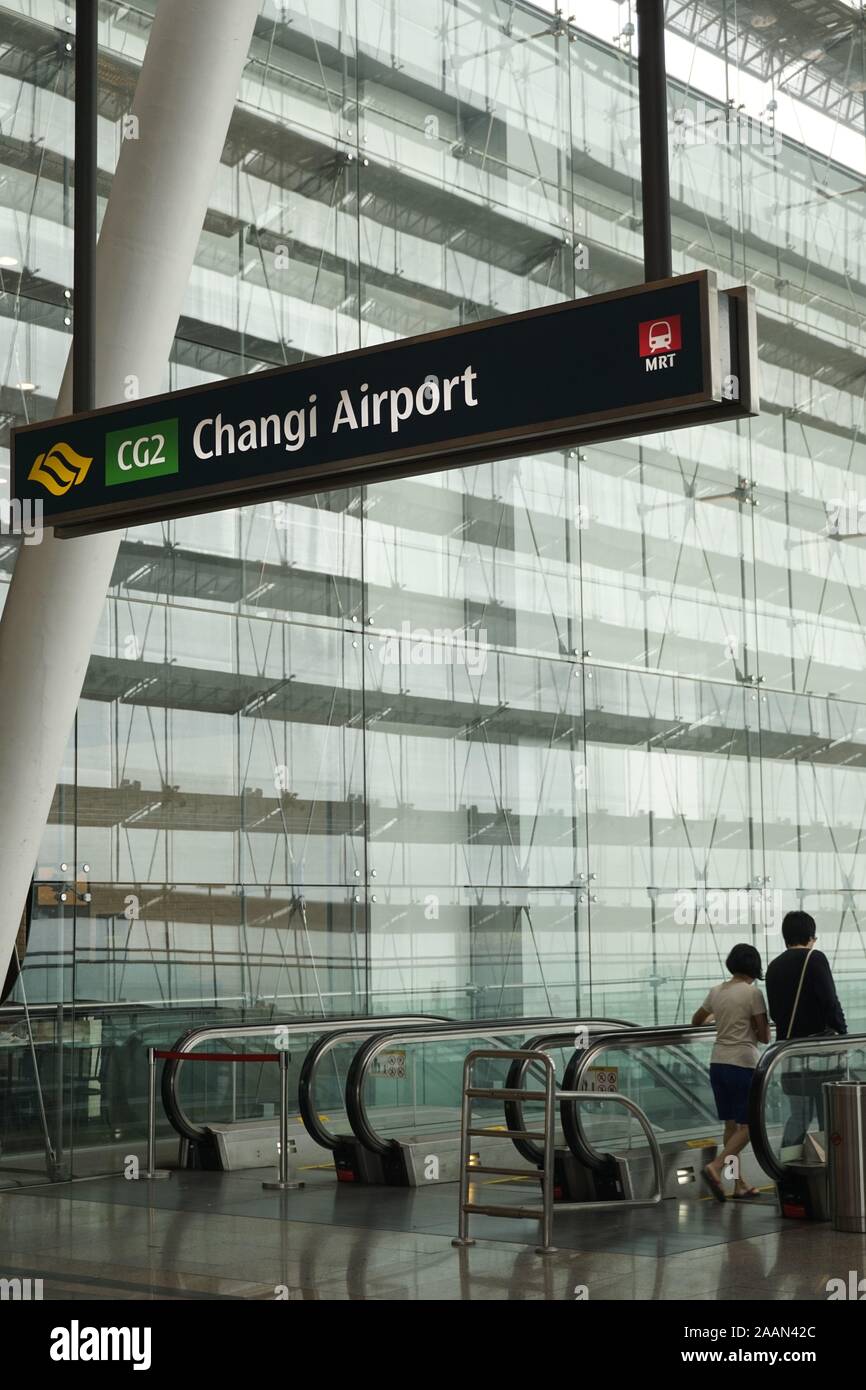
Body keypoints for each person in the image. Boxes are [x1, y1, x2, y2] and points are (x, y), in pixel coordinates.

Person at [691, 943, 771, 1201]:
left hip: (718, 1063)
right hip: (743, 1063)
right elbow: (765, 1035)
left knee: (732, 1125)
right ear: (754, 967)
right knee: (751, 1125)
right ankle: (716, 1166)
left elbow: (697, 1020)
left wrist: (719, 1017)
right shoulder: (752, 994)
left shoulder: (716, 991)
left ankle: (739, 1184)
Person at [765, 910, 847, 1148]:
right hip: (822, 1057)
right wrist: (842, 1034)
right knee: (829, 1116)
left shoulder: (774, 966)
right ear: (811, 936)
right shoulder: (815, 958)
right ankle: (831, 1165)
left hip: (789, 1053)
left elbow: (775, 1014)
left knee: (799, 1116)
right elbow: (829, 1001)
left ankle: (788, 1167)